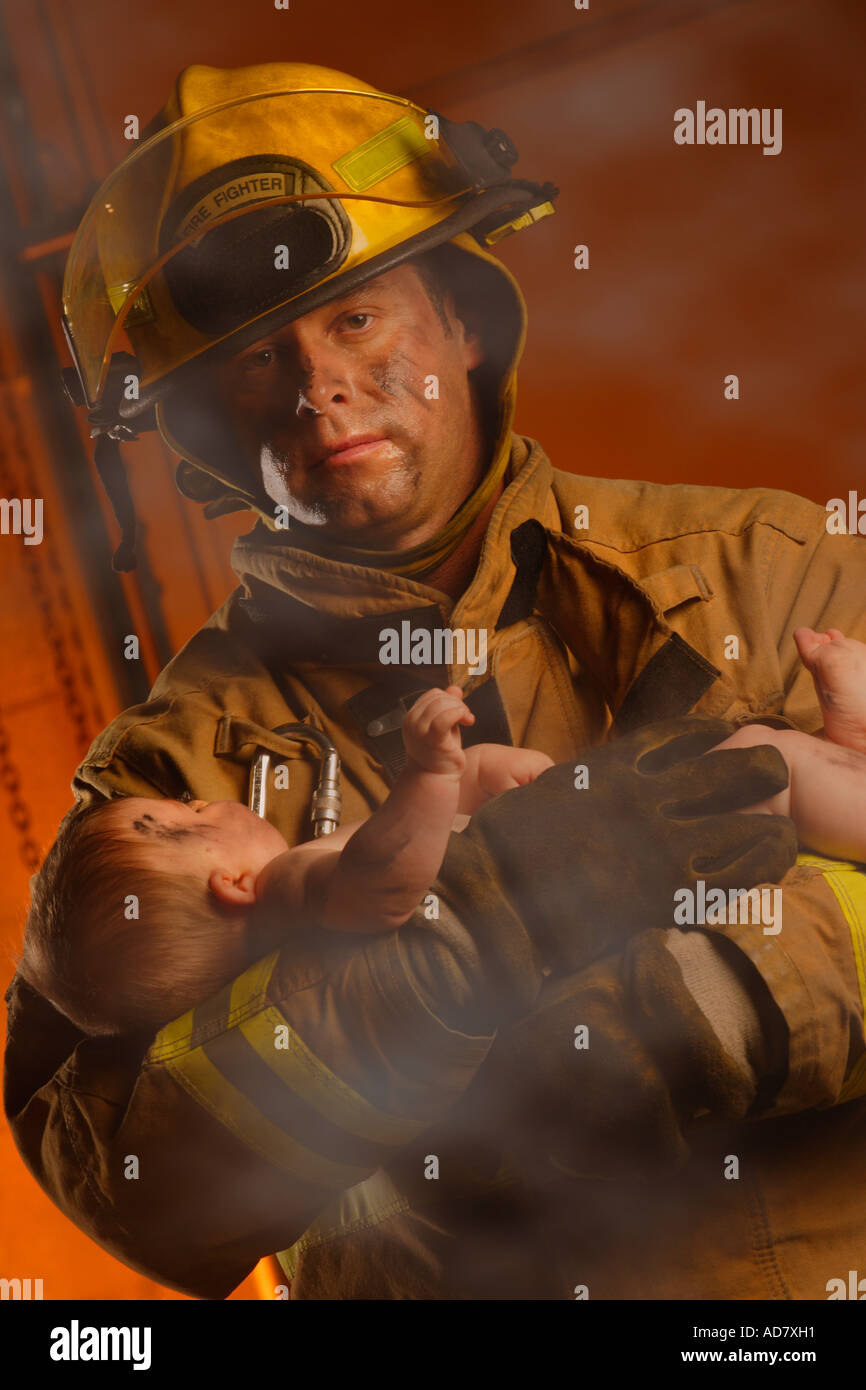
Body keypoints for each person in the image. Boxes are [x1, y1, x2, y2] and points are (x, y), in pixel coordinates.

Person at [5, 61, 866, 1301]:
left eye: (354, 317)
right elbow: (135, 1186)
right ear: (199, 434)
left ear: (464, 324)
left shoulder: (764, 574)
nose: (314, 386)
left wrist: (705, 999)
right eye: (253, 360)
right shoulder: (165, 776)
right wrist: (476, 932)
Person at [19, 626, 866, 1043]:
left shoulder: (305, 913)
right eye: (183, 822)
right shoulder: (302, 893)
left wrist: (478, 778)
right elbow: (391, 874)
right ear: (232, 886)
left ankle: (843, 755)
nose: (203, 803)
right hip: (604, 894)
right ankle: (848, 757)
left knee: (758, 768)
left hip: (596, 895)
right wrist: (430, 774)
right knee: (760, 766)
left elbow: (433, 851)